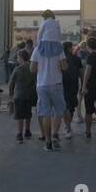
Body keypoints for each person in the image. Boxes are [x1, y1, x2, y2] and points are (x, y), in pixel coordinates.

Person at [30, 11, 67, 152]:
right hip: (56, 84)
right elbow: (64, 67)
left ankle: (48, 142)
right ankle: (56, 134)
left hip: (42, 85)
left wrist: (41, 66)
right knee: (58, 111)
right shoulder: (59, 49)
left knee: (45, 114)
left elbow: (32, 69)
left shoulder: (37, 49)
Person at [8, 49, 36, 143]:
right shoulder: (32, 68)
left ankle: (19, 134)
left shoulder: (17, 69)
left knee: (19, 115)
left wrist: (10, 93)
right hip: (29, 95)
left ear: (21, 58)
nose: (17, 59)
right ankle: (27, 131)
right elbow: (35, 81)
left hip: (19, 95)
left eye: (18, 57)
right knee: (28, 114)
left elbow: (11, 82)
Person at [62, 41, 82, 139]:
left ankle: (67, 126)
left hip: (63, 85)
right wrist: (83, 84)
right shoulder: (76, 59)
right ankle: (68, 126)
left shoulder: (61, 59)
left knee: (66, 106)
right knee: (71, 106)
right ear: (69, 48)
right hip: (73, 85)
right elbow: (81, 72)